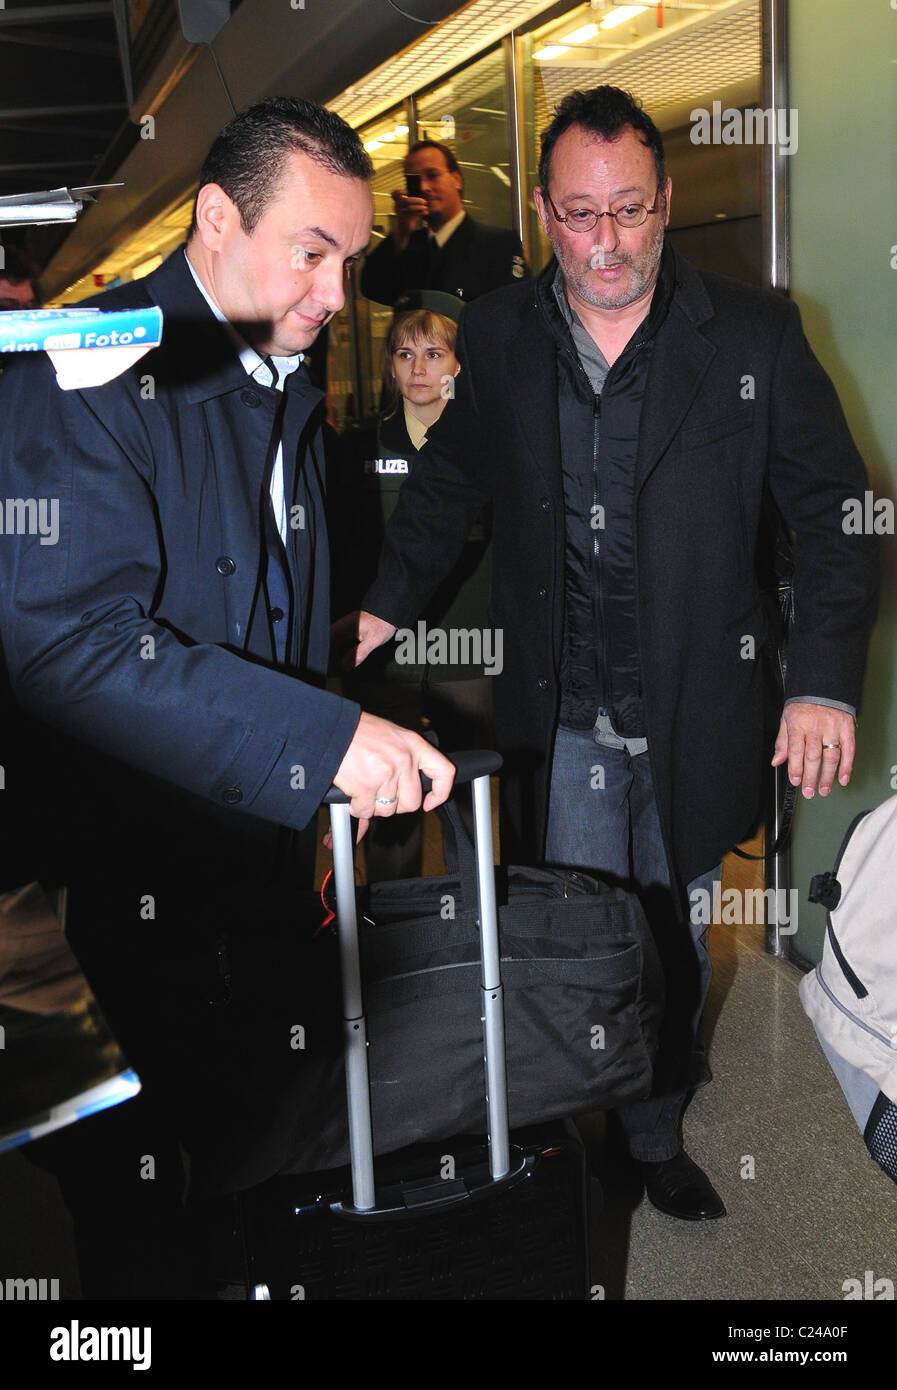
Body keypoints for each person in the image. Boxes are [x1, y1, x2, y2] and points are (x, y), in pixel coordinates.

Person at [344, 86, 879, 1222]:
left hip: (699, 702)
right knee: (587, 932)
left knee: (678, 931)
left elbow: (837, 513)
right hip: (566, 707)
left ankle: (650, 1130)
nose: (605, 244)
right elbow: (452, 483)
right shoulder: (497, 335)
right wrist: (382, 608)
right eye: (580, 215)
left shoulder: (751, 331)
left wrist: (824, 682)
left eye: (630, 213)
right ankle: (589, 1120)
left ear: (667, 202)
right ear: (543, 212)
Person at [0, 97, 455, 1221]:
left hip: (244, 861)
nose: (336, 295)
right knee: (137, 1194)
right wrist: (324, 741)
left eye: (348, 260)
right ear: (215, 218)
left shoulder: (271, 373)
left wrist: (325, 762)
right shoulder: (86, 370)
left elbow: (272, 616)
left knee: (245, 1145)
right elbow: (68, 641)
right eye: (312, 252)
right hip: (111, 887)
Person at [335, 290, 491, 880]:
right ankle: (396, 928)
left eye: (433, 353)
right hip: (389, 656)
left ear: (459, 365)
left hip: (472, 649)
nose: (418, 368)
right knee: (388, 797)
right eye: (404, 354)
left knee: (469, 798)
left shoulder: (489, 447)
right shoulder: (358, 449)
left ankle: (477, 926)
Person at [359, 139, 528, 307]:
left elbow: (517, 307)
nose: (424, 187)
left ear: (457, 179)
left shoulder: (497, 244)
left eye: (433, 175)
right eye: (415, 180)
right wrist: (401, 230)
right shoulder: (407, 246)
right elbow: (372, 288)